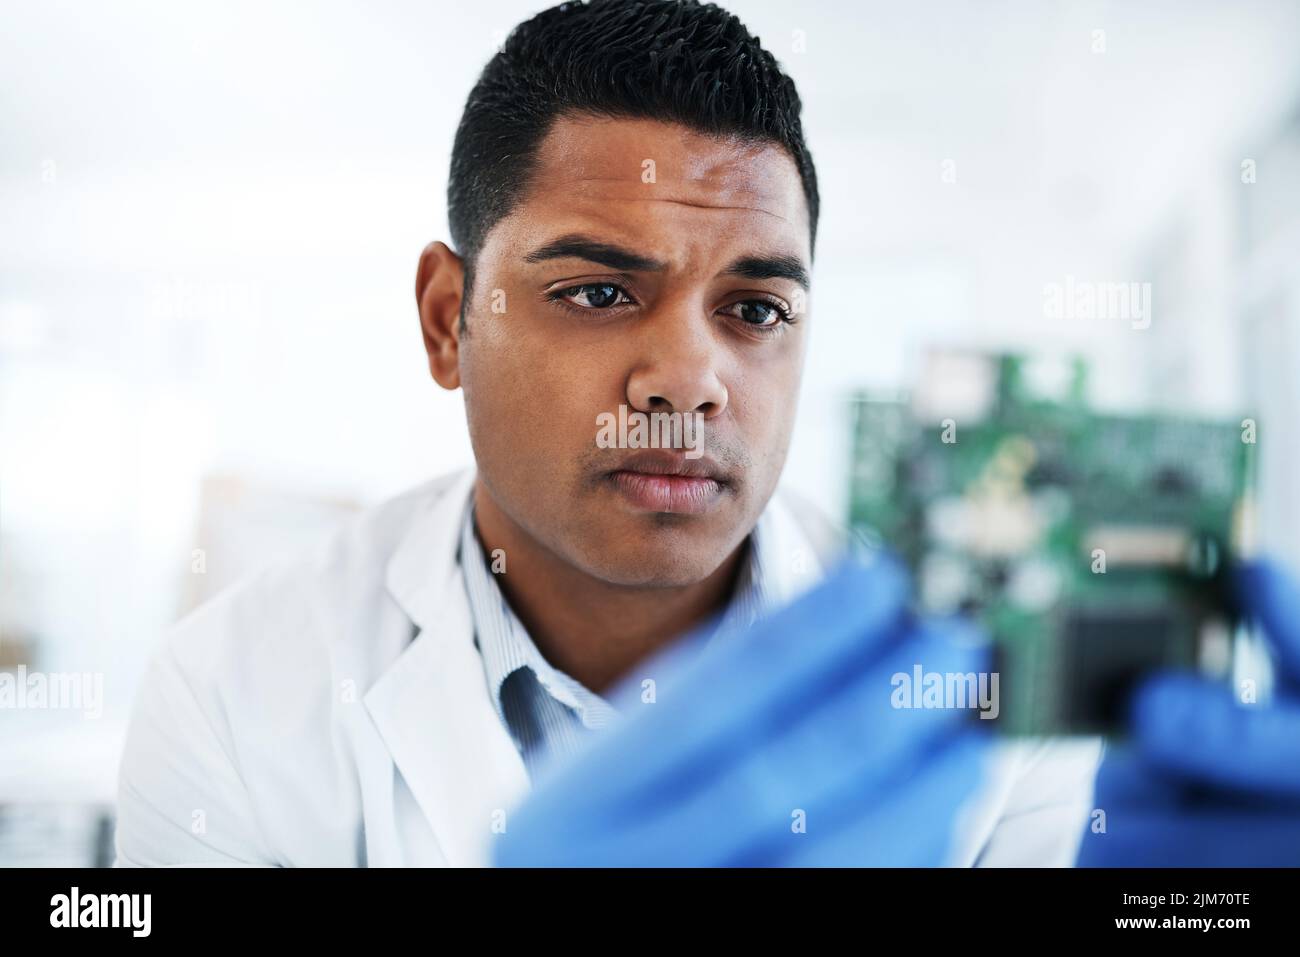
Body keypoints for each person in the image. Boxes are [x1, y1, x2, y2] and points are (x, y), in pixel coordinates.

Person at [118, 0, 1288, 868]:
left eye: (757, 310)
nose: (690, 377)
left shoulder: (994, 707)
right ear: (445, 321)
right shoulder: (229, 696)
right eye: (594, 291)